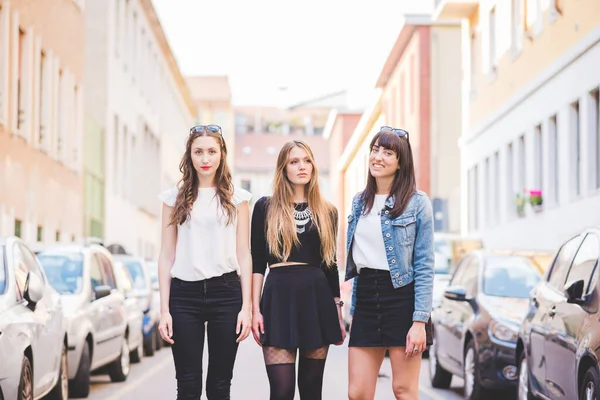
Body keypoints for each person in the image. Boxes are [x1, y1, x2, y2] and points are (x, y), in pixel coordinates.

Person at [157, 124, 252, 400]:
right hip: (184, 295)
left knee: (220, 385)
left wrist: (246, 307)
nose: (205, 159)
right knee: (187, 385)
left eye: (212, 151)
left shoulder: (238, 199)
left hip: (226, 294)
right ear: (190, 156)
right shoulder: (173, 199)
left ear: (222, 154)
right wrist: (164, 310)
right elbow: (166, 255)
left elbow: (244, 254)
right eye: (198, 152)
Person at [250, 140, 345, 400]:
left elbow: (330, 264)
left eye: (306, 160)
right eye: (294, 161)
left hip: (316, 300)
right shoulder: (264, 207)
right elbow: (257, 261)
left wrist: (337, 310)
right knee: (281, 391)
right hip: (278, 299)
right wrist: (254, 309)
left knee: (312, 390)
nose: (301, 166)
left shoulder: (328, 211)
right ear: (284, 168)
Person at [345, 126, 434, 400]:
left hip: (401, 300)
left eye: (388, 152)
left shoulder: (417, 203)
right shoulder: (359, 202)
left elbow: (424, 265)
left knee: (404, 391)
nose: (378, 157)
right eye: (375, 150)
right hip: (367, 300)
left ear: (400, 162)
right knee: (358, 393)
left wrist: (419, 321)